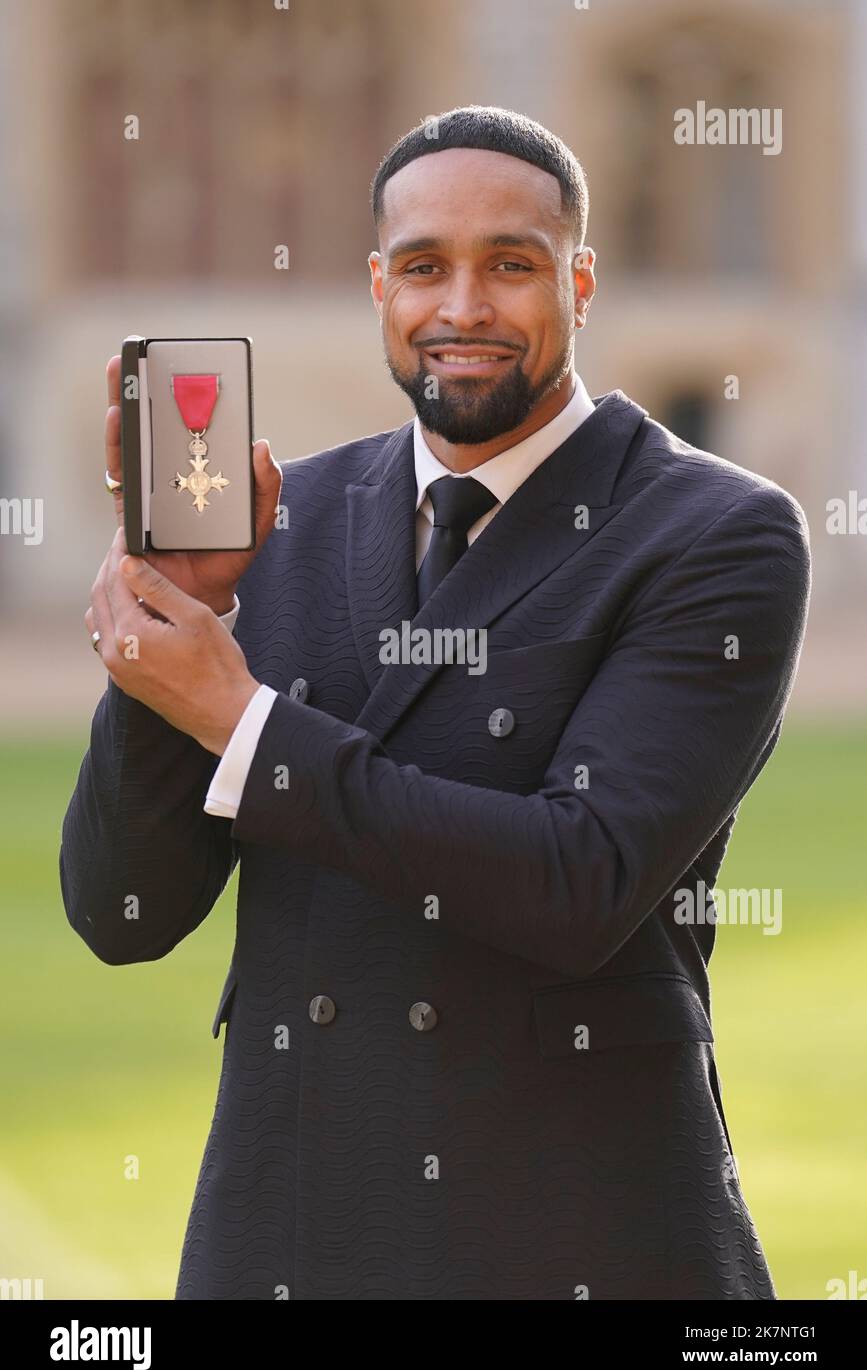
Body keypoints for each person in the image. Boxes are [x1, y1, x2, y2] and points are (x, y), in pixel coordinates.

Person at [60, 105, 810, 1300]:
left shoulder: (716, 533)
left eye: (510, 264)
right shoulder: (283, 521)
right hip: (293, 1224)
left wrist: (243, 723)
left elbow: (582, 880)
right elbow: (124, 914)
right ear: (377, 285)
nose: (461, 308)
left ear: (582, 279)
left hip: (578, 1228)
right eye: (423, 267)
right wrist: (162, 652)